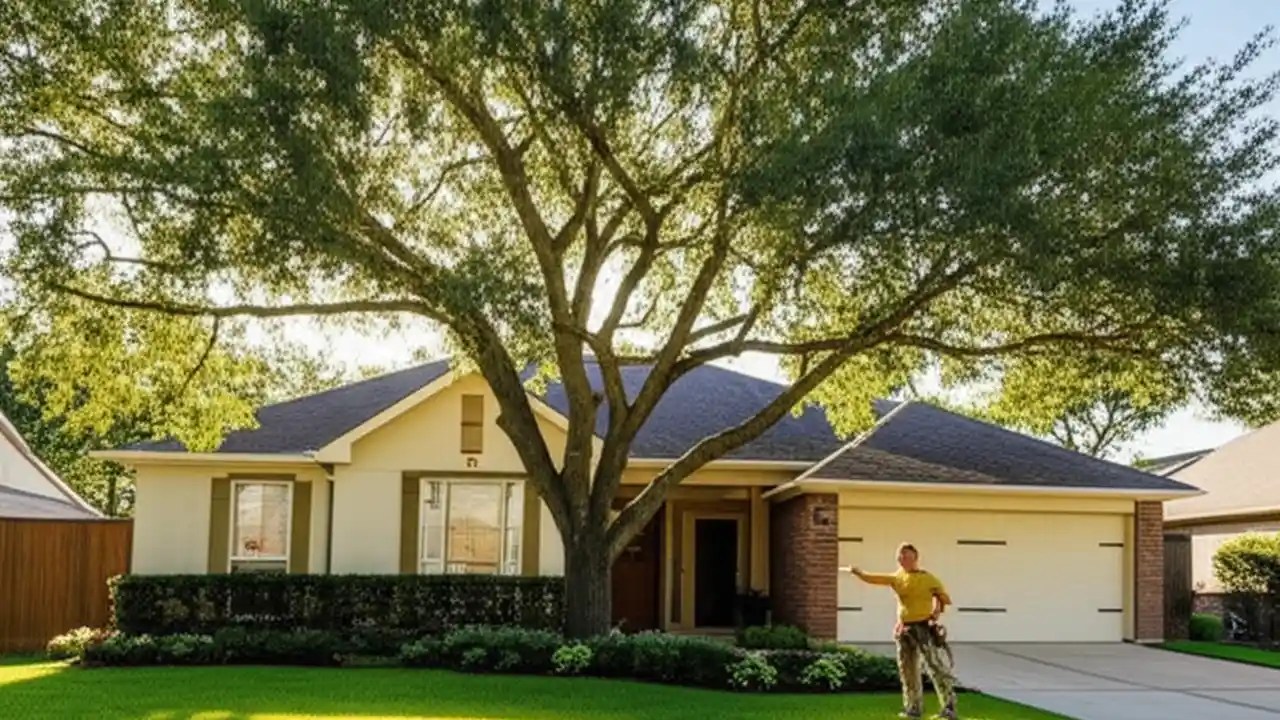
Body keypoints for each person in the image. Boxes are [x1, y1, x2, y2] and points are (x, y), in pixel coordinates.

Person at [849, 543, 958, 720]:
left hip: (923, 627)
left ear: (915, 558)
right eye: (899, 557)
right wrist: (859, 573)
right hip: (904, 629)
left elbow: (942, 596)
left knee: (935, 666)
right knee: (907, 670)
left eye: (905, 556)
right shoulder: (897, 578)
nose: (902, 559)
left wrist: (937, 610)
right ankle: (913, 708)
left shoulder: (928, 578)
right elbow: (874, 578)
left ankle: (949, 708)